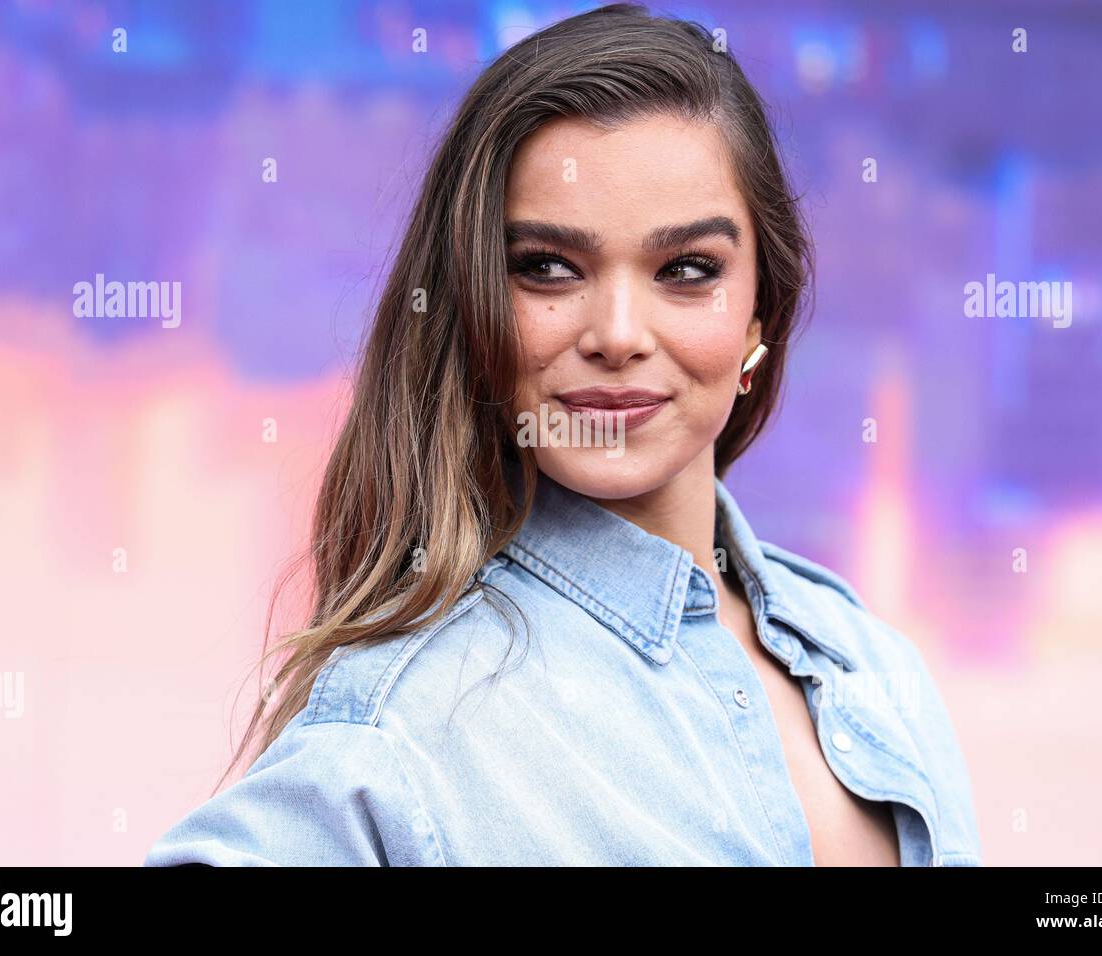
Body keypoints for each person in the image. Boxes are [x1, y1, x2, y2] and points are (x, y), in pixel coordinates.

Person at [143, 2, 983, 867]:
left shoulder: (873, 667)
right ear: (472, 306)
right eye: (547, 268)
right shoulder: (406, 728)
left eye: (686, 271)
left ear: (757, 317)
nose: (617, 333)